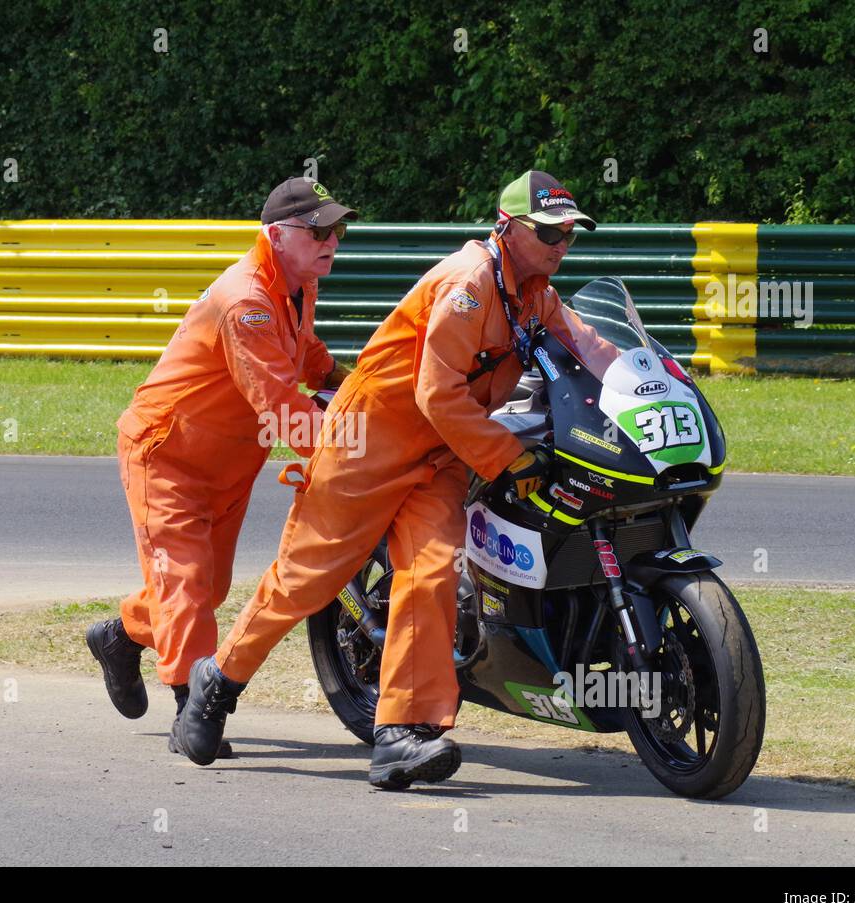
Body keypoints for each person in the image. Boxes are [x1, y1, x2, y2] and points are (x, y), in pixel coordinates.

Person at [174, 170, 602, 788]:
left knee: (430, 572)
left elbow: (589, 346)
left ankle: (402, 731)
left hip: (442, 453)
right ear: (507, 229)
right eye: (550, 231)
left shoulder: (534, 291)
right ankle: (219, 681)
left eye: (571, 233)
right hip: (369, 441)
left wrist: (646, 383)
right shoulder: (468, 284)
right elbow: (436, 391)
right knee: (303, 579)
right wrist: (507, 455)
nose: (563, 244)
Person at [87, 177, 356, 756]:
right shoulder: (247, 300)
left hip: (228, 459)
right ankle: (190, 708)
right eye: (318, 231)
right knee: (184, 583)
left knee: (207, 587)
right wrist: (353, 454)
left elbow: (299, 348)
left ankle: (121, 636)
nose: (331, 240)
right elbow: (281, 407)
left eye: (335, 230)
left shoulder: (297, 282)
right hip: (168, 453)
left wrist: (340, 379)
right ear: (277, 235)